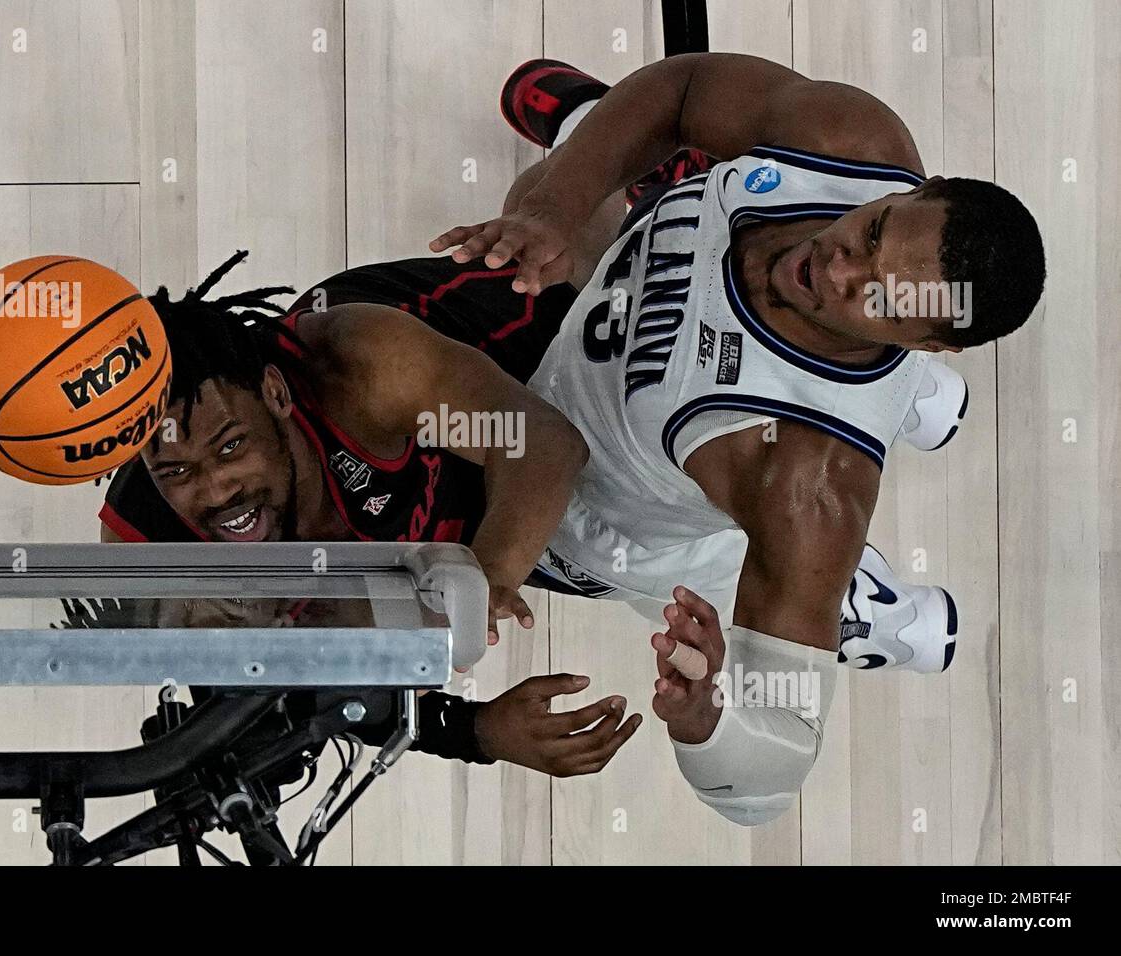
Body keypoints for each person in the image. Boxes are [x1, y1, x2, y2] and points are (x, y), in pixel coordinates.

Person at [428, 53, 1045, 824]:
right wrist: (556, 204)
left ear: (927, 341)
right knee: (544, 196)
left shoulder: (807, 483)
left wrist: (711, 721)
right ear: (918, 188)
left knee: (797, 572)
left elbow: (768, 777)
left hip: (600, 516)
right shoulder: (854, 141)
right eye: (874, 231)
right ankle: (595, 135)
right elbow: (683, 90)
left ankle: (864, 606)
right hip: (594, 316)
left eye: (881, 296)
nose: (836, 264)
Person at [96, 250, 639, 778]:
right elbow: (294, 688)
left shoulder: (360, 367)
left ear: (276, 393)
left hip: (609, 337)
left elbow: (540, 443)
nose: (217, 492)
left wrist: (489, 576)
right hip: (566, 534)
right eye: (178, 474)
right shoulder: (148, 544)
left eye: (232, 447)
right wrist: (472, 731)